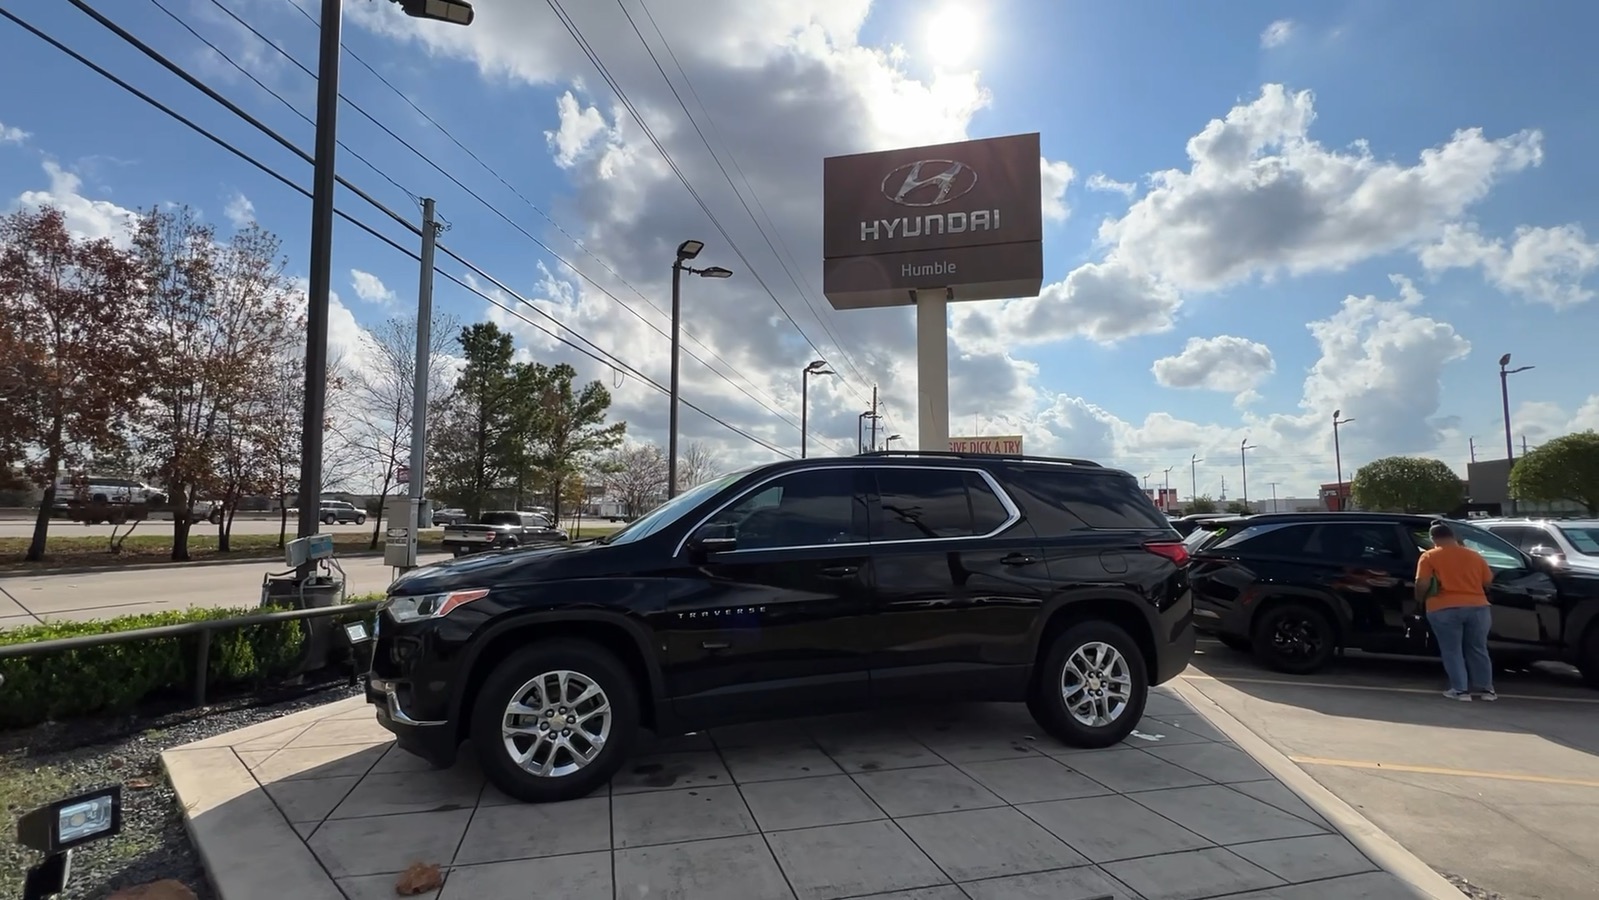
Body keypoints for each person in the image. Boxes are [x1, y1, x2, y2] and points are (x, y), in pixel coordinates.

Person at [1414, 521, 1497, 701]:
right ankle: (1486, 690)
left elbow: (1422, 583)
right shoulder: (1474, 555)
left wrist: (1419, 600)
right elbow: (1488, 581)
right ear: (1453, 536)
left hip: (1443, 608)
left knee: (1452, 650)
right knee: (1478, 648)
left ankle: (1460, 690)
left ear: (1433, 538)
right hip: (1478, 607)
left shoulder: (1429, 557)